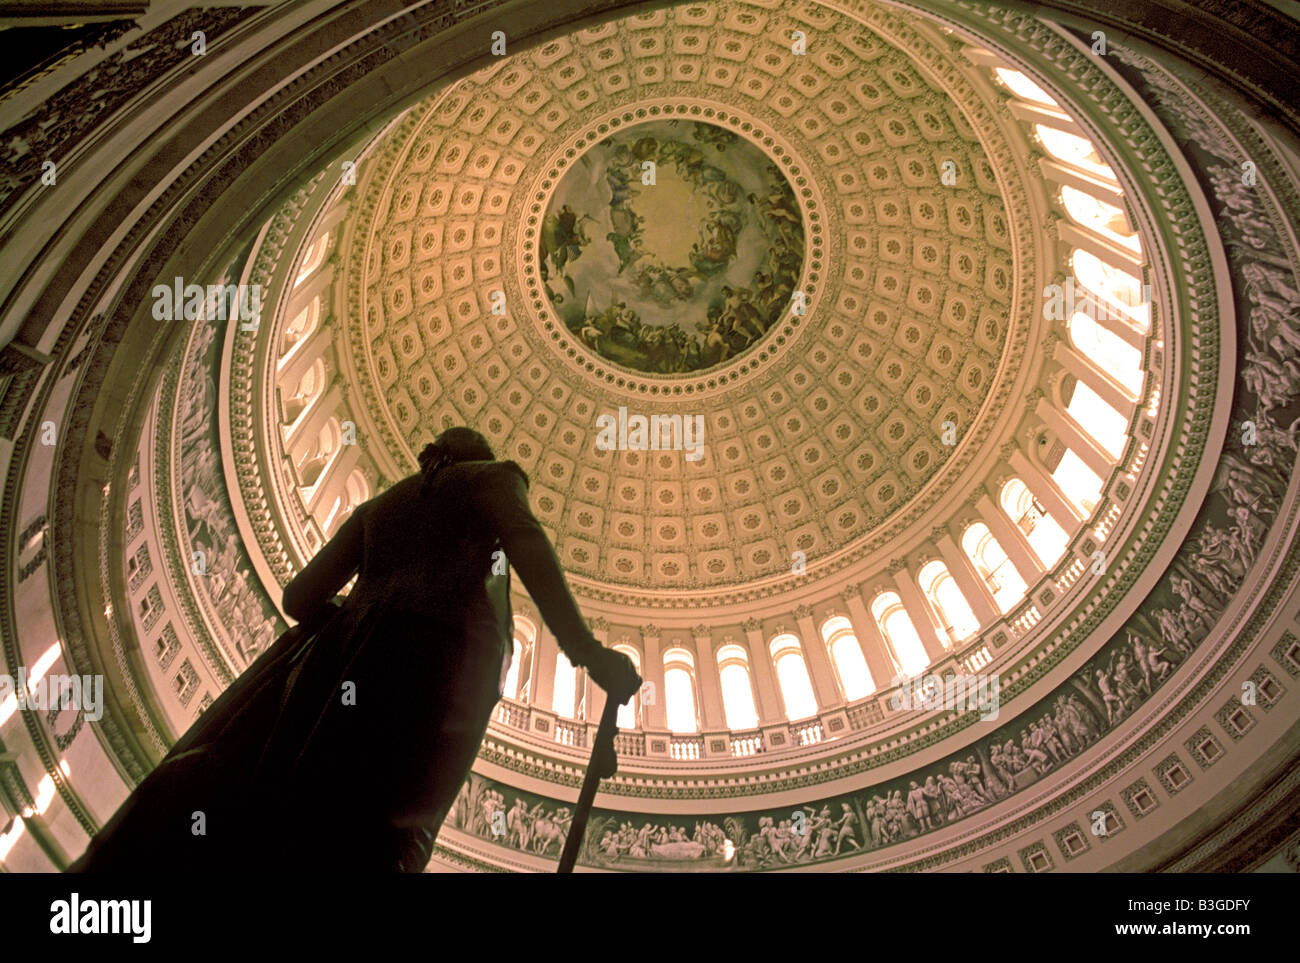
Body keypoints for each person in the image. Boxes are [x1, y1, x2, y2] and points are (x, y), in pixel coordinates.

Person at [69, 427, 641, 872]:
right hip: (439, 669)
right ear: (476, 456)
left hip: (334, 671)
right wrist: (586, 651)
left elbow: (299, 598)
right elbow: (527, 543)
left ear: (431, 456)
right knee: (392, 829)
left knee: (300, 814)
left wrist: (358, 621)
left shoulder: (381, 506)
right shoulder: (493, 477)